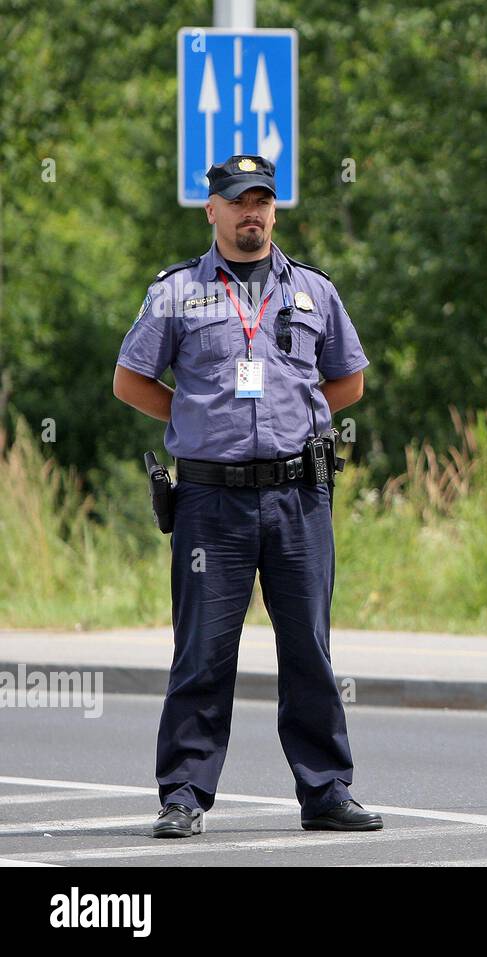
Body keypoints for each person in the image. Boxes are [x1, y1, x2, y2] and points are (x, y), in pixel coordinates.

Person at [113, 154, 382, 838]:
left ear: (274, 210)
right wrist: (193, 412)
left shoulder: (314, 291)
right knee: (203, 650)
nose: (251, 212)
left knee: (309, 650)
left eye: (262, 199)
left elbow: (347, 378)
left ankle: (325, 790)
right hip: (212, 501)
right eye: (238, 201)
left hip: (299, 496)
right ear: (212, 210)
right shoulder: (176, 292)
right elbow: (130, 378)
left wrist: (298, 410)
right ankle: (183, 793)